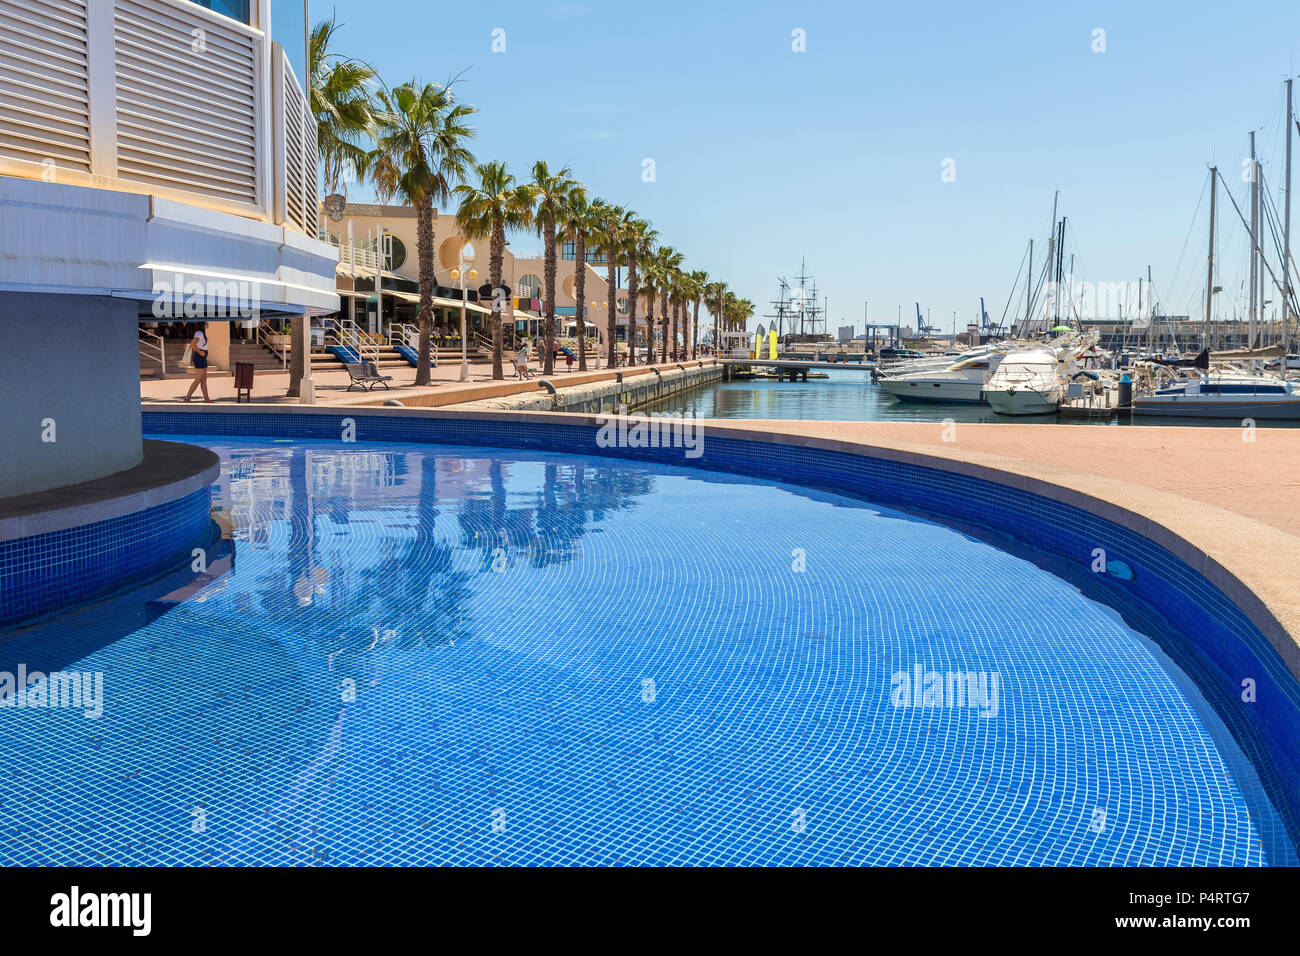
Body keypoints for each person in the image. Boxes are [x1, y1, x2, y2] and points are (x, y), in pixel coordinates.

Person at [184, 322, 212, 402]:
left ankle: (206, 399)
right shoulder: (199, 333)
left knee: (203, 379)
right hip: (199, 357)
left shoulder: (201, 333)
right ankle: (187, 397)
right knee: (198, 379)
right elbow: (192, 344)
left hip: (202, 358)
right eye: (206, 323)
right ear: (203, 325)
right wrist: (200, 352)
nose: (208, 324)